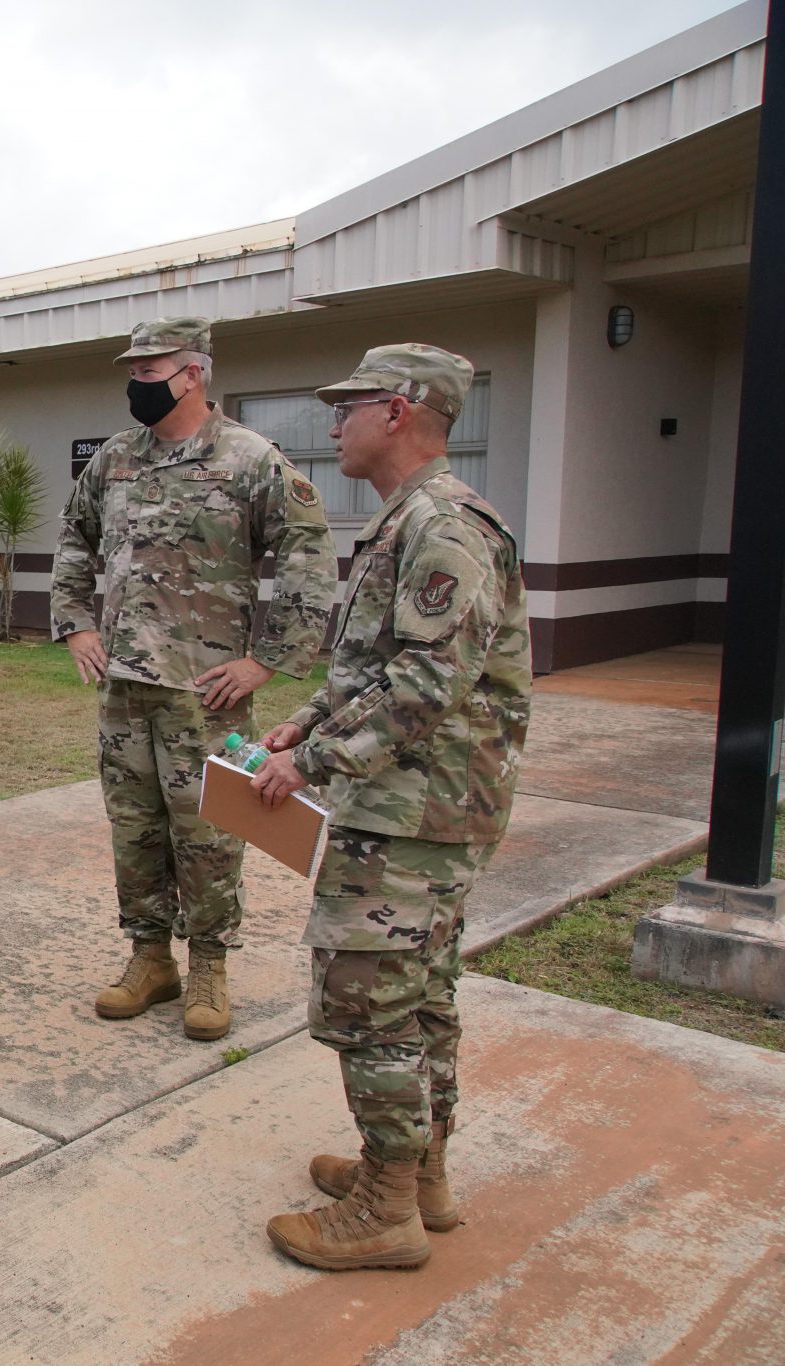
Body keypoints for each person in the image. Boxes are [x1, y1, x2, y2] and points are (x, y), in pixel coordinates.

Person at [251, 343, 530, 1271]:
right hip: (418, 808)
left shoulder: (445, 524)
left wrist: (314, 764)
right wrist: (304, 722)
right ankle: (419, 1176)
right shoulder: (410, 520)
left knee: (367, 1003)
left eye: (350, 407)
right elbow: (374, 668)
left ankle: (386, 1210)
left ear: (401, 411)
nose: (335, 425)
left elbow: (425, 681)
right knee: (420, 999)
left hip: (416, 815)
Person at [50, 316, 336, 1040]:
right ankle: (150, 958)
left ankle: (209, 963)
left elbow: (307, 553)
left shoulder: (250, 461)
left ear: (194, 373)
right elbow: (74, 535)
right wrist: (76, 622)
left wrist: (267, 658)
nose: (136, 384)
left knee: (209, 832)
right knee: (135, 829)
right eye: (134, 371)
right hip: (124, 686)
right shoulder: (114, 459)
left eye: (151, 371)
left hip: (205, 692)